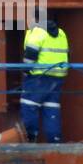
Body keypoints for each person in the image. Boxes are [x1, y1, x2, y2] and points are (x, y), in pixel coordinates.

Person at [20, 14, 69, 142]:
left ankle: (31, 138)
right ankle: (55, 142)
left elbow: (30, 54)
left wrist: (25, 71)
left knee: (29, 105)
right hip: (57, 77)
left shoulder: (37, 31)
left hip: (39, 77)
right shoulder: (61, 32)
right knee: (51, 108)